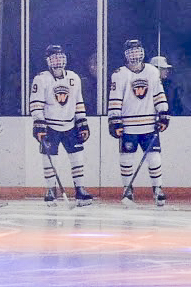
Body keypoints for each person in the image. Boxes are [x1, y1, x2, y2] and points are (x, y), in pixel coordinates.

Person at [30, 45, 94, 207]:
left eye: (60, 56)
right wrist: (39, 123)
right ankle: (51, 190)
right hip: (50, 126)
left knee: (77, 158)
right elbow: (36, 104)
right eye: (54, 57)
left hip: (70, 125)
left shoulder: (74, 78)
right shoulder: (41, 79)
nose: (58, 60)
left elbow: (78, 102)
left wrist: (82, 122)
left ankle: (80, 190)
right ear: (48, 61)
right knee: (50, 160)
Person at [109, 40, 170, 206]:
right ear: (125, 54)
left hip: (149, 124)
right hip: (129, 125)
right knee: (126, 159)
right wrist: (115, 120)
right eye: (131, 51)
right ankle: (127, 189)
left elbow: (159, 94)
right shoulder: (119, 74)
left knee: (154, 158)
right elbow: (115, 99)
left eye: (137, 50)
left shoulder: (152, 71)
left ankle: (158, 189)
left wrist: (163, 113)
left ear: (143, 52)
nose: (135, 54)